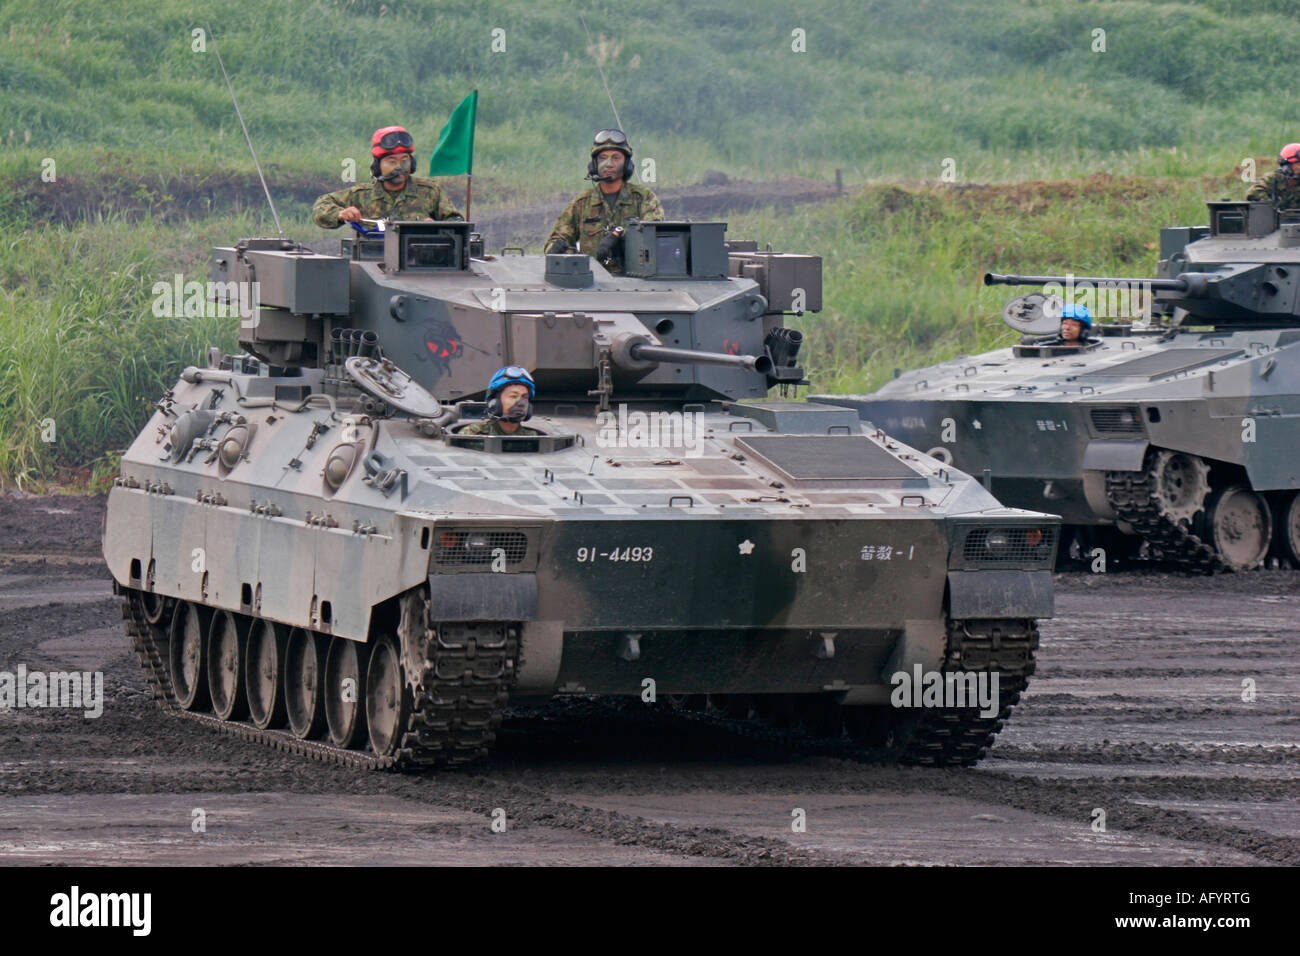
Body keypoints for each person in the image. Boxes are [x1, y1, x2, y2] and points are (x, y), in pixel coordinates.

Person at [544, 129, 664, 274]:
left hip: (635, 280)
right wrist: (563, 251)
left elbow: (654, 233)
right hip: (592, 282)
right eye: (603, 157)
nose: (609, 164)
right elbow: (556, 240)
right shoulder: (582, 204)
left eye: (616, 158)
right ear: (594, 165)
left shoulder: (643, 198)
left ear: (626, 164)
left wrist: (619, 237)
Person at [312, 126, 463, 228]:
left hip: (419, 262)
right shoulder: (362, 195)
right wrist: (340, 214)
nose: (399, 167)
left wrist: (436, 228)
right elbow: (321, 207)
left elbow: (457, 223)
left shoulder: (430, 191)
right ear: (377, 166)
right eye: (392, 161)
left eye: (405, 160)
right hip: (372, 260)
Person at [458, 366, 544, 436]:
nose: (521, 403)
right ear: (494, 403)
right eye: (513, 396)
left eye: (524, 397)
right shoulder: (474, 434)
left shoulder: (532, 438)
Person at [1246, 143, 1300, 211]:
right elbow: (1254, 192)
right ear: (1287, 166)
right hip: (1275, 219)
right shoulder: (1273, 179)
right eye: (1298, 163)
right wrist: (1271, 207)